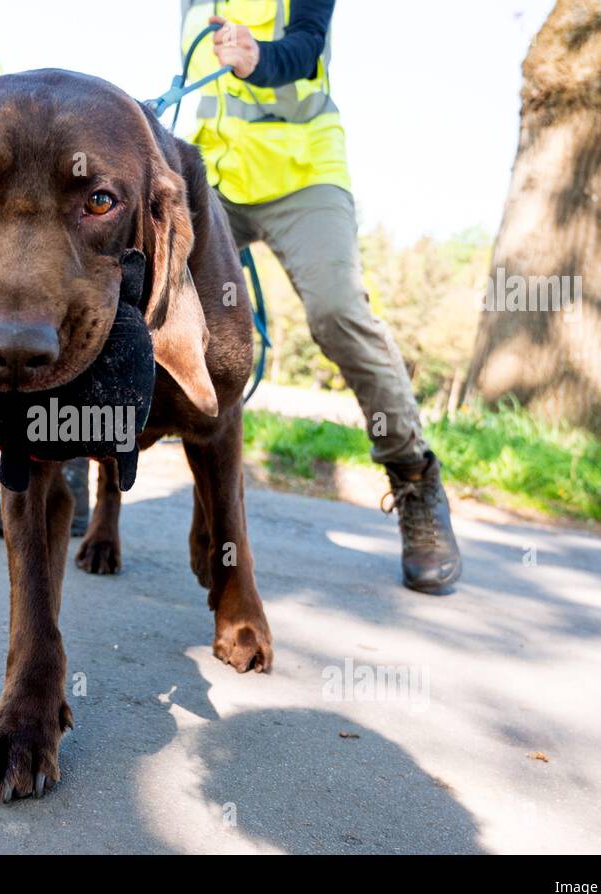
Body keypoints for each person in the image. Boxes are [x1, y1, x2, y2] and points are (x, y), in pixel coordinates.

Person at [177, 0, 462, 593]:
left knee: (337, 313)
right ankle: (73, 455)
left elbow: (307, 43)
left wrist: (258, 58)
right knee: (133, 274)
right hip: (215, 172)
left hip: (304, 172)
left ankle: (413, 474)